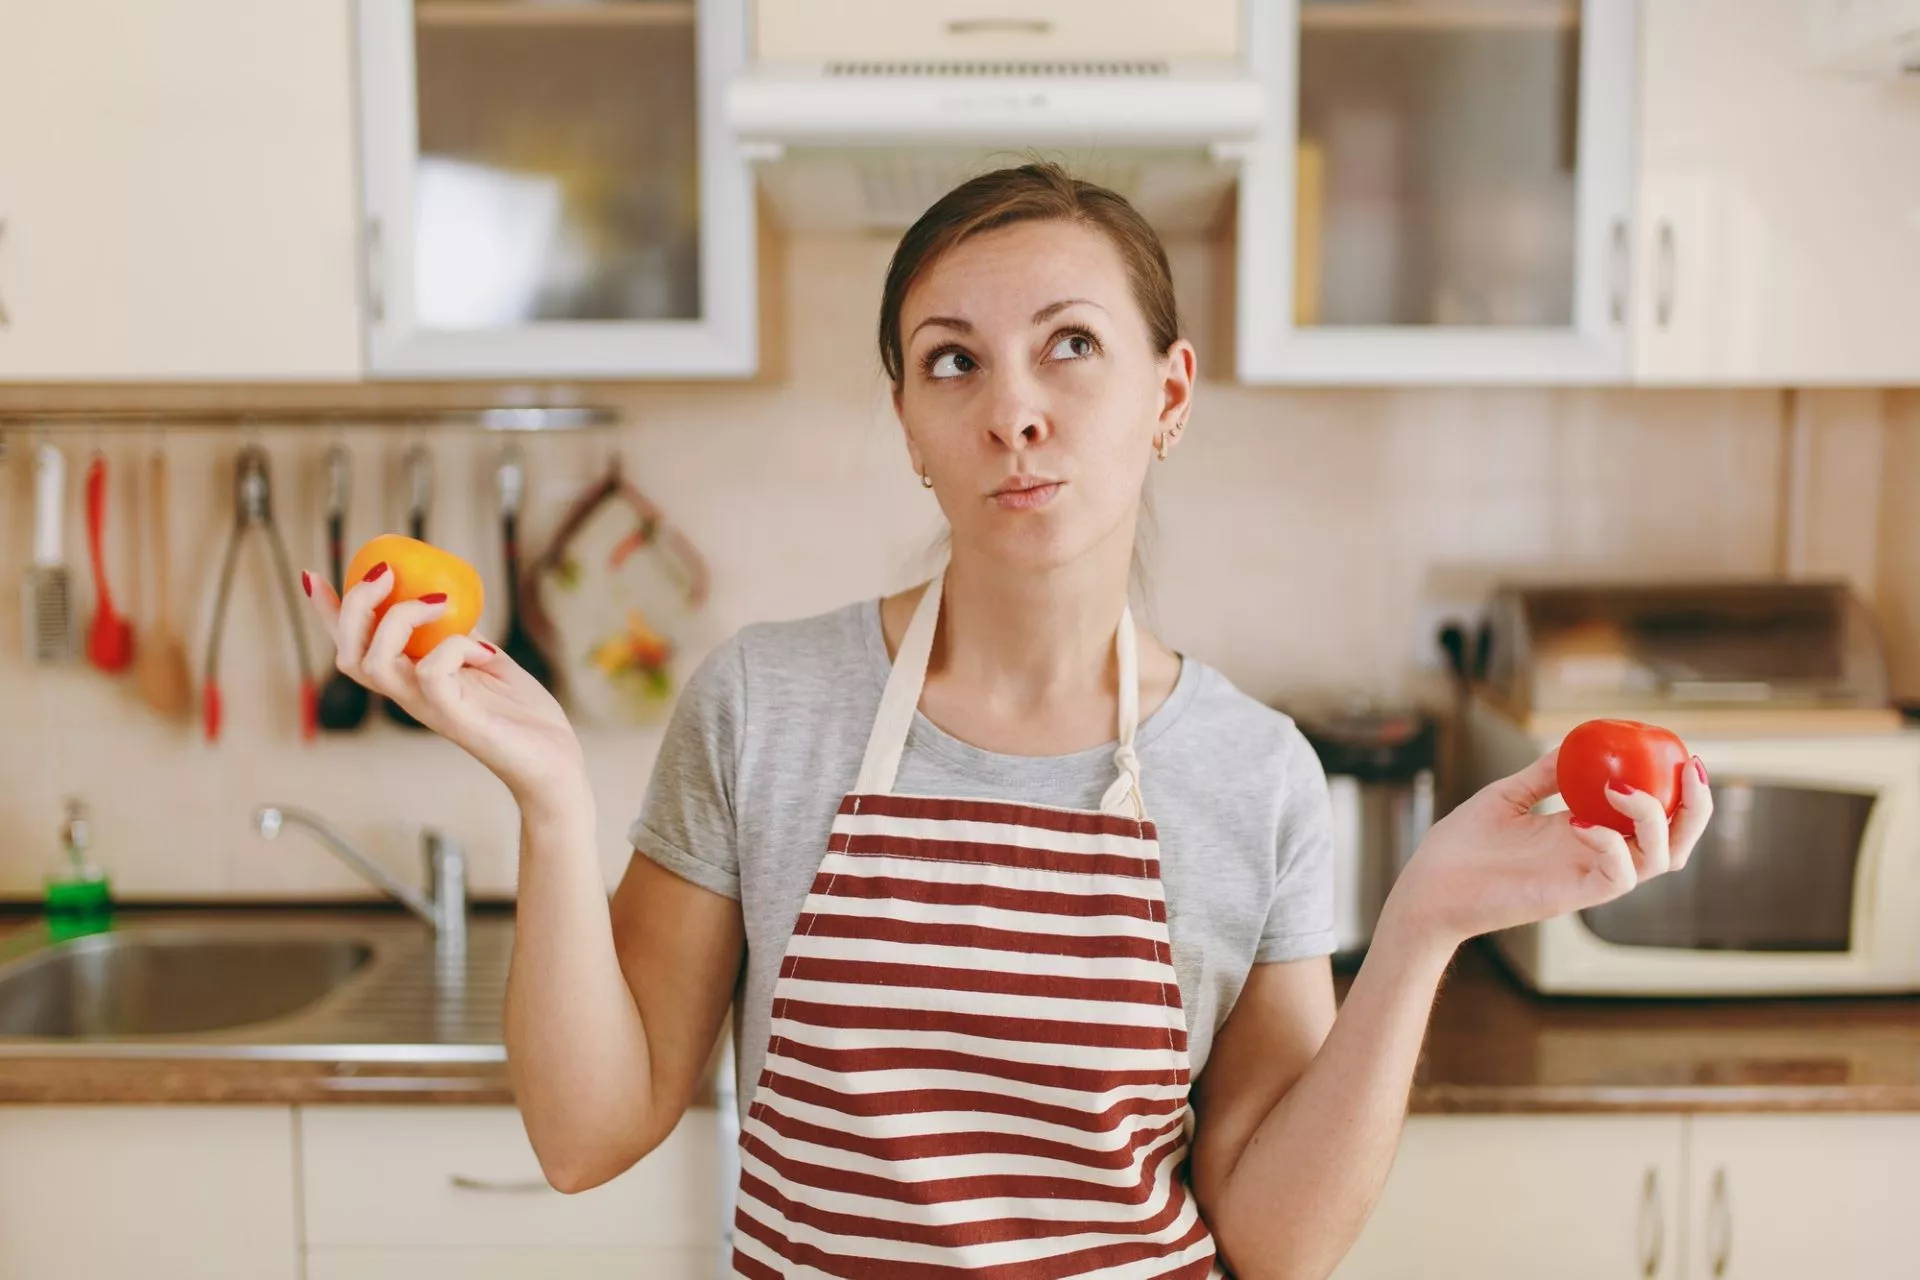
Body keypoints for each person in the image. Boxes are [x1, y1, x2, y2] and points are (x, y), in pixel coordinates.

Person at [302, 162, 1714, 1279]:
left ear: (1168, 395)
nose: (1014, 411)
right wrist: (552, 804)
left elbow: (1275, 1243)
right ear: (911, 424)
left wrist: (1422, 928)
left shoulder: (1251, 771)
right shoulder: (765, 705)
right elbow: (583, 1135)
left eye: (1072, 347)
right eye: (954, 361)